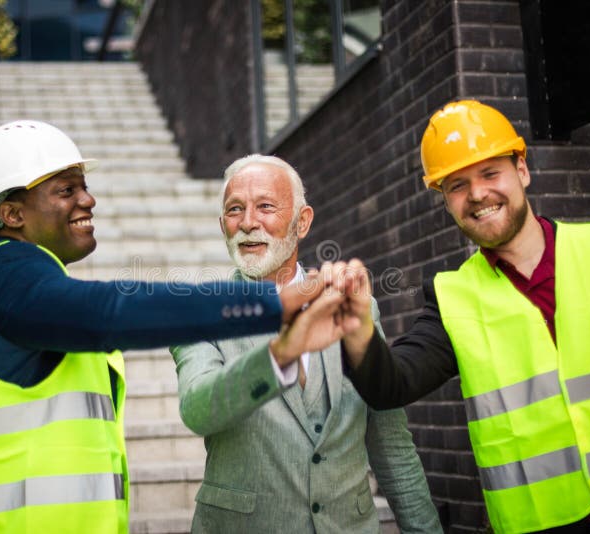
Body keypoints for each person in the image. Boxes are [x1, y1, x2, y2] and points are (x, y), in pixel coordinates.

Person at [0, 121, 343, 533]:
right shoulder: (9, 275)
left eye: (83, 186)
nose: (89, 199)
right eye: (66, 191)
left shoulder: (17, 278)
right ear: (12, 214)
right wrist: (269, 302)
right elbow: (109, 310)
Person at [338, 100, 590, 533]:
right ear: (446, 201)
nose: (476, 194)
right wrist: (358, 328)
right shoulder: (450, 296)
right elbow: (391, 384)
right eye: (456, 185)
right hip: (542, 523)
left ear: (522, 171)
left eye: (490, 173)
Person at [169, 154, 442, 533]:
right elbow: (199, 409)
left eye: (265, 206)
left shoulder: (357, 306)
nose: (248, 223)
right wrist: (283, 353)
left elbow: (390, 444)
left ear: (303, 222)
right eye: (235, 210)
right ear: (222, 226)